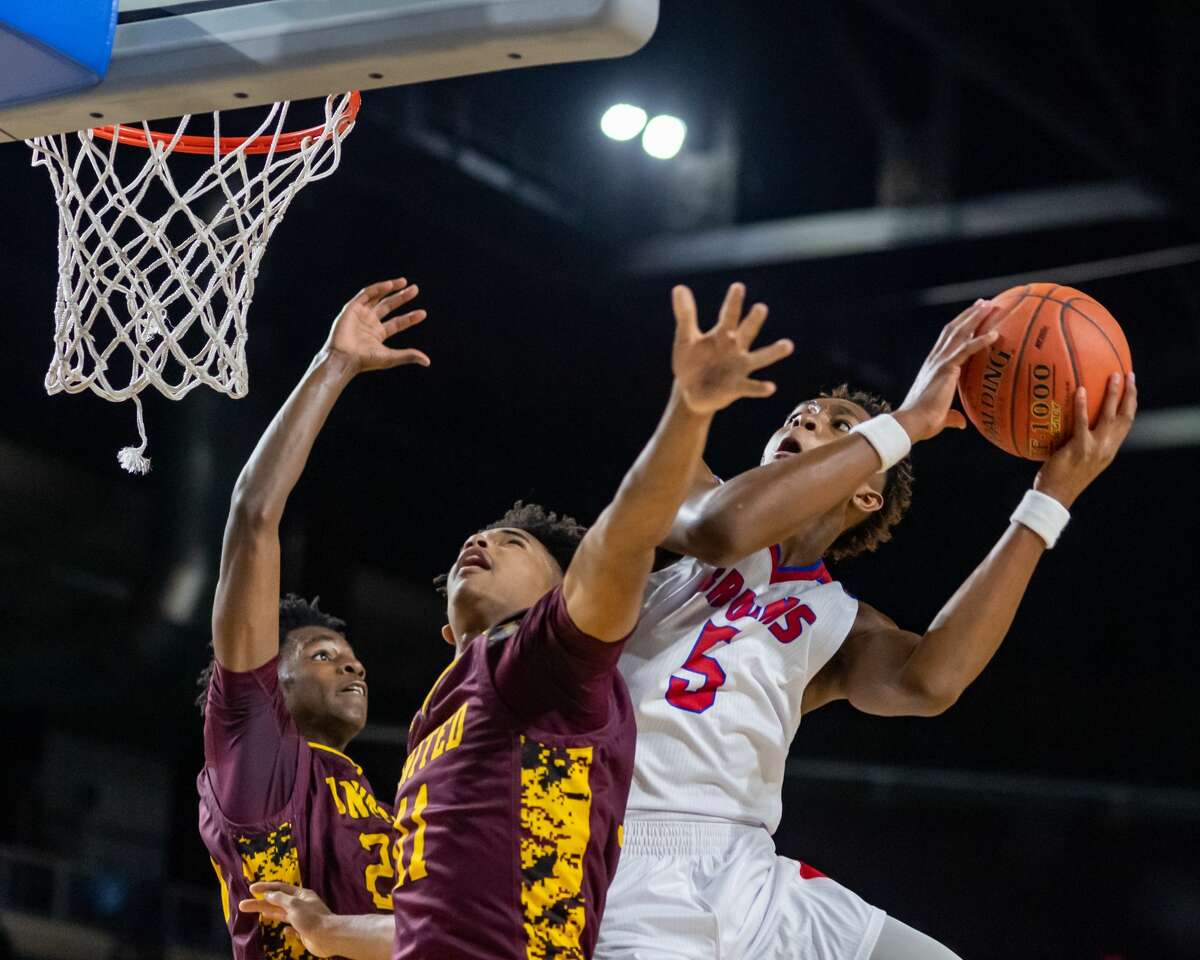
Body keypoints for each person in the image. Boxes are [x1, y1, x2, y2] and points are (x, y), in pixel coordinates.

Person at [239, 282, 794, 960]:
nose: (484, 542)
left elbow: (620, 542)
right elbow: (432, 920)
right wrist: (327, 930)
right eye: (478, 539)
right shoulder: (439, 715)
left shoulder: (552, 664)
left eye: (514, 543)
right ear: (446, 631)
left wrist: (688, 411)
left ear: (563, 593)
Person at [596, 293, 1138, 960]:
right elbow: (722, 528)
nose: (806, 417)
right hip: (622, 852)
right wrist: (905, 422)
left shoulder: (845, 625)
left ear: (865, 491)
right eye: (799, 417)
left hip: (747, 868)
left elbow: (931, 682)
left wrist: (1049, 499)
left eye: (837, 423)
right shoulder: (693, 489)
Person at [198, 278, 429, 960]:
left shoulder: (377, 804)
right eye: (323, 654)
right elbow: (253, 516)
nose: (354, 663)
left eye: (348, 654)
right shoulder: (257, 753)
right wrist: (334, 366)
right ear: (276, 681)